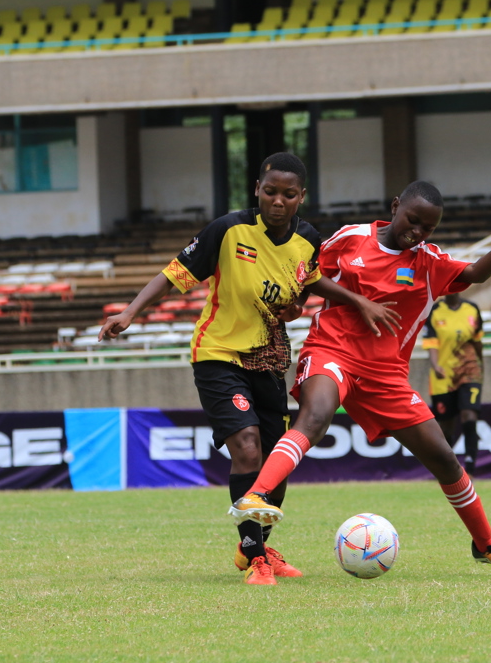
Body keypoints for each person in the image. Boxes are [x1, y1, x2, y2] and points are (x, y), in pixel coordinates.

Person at [98, 153, 399, 586]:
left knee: (278, 458)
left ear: (301, 197)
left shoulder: (308, 238)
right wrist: (129, 312)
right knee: (247, 447)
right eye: (270, 191)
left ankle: (255, 545)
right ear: (257, 189)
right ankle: (257, 558)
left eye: (288, 194)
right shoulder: (228, 230)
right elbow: (173, 274)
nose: (278, 201)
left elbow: (308, 279)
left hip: (269, 360)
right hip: (218, 354)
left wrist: (339, 301)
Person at [231, 180, 491, 576]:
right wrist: (299, 302)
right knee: (315, 416)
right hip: (332, 350)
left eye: (428, 228)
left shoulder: (428, 262)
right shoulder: (351, 238)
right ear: (396, 206)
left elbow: (474, 274)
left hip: (386, 375)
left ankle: (485, 545)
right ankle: (257, 496)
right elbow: (309, 273)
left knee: (444, 458)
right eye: (413, 220)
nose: (417, 232)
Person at [422, 292, 485, 474]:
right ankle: (450, 470)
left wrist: (481, 366)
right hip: (443, 375)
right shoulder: (434, 311)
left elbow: (477, 341)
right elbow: (431, 343)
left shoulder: (471, 309)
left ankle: (470, 469)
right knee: (446, 425)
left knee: (469, 415)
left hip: (469, 371)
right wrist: (435, 365)